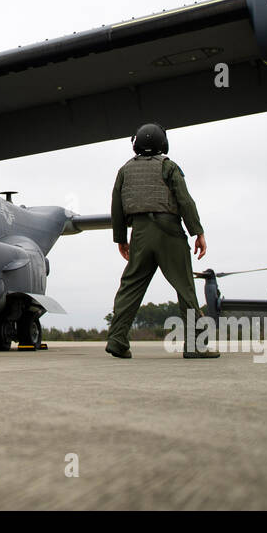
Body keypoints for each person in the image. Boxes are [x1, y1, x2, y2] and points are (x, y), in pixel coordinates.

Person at [105, 123, 216, 359]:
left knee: (130, 287)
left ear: (136, 145)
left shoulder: (124, 170)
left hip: (140, 233)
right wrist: (198, 232)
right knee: (184, 286)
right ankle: (195, 344)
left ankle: (117, 340)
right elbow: (185, 201)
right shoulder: (169, 166)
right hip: (168, 230)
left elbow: (116, 206)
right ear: (162, 144)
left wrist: (121, 239)